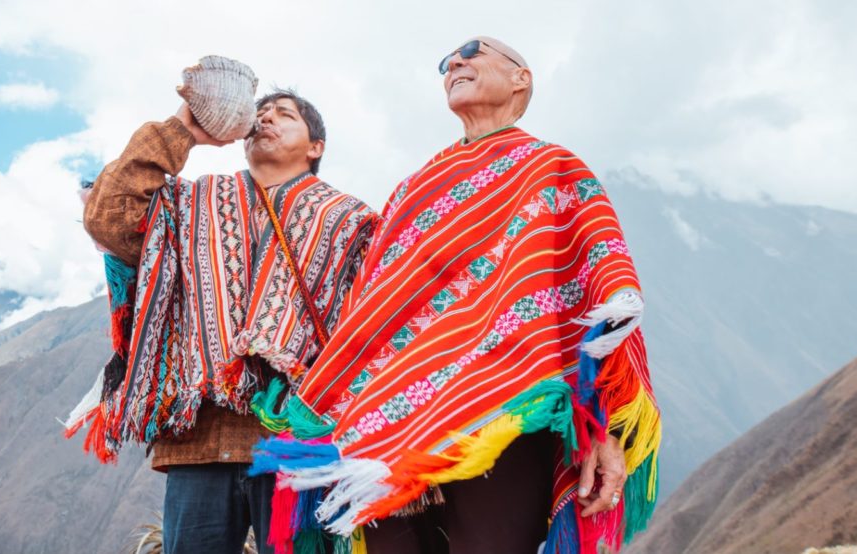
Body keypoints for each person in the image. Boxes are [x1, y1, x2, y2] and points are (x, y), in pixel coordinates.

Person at [253, 38, 661, 554]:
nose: (456, 64)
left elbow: (604, 306)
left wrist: (604, 430)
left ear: (521, 78)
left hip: (501, 416)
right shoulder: (412, 190)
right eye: (447, 63)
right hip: (395, 423)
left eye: (473, 51)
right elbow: (372, 308)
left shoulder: (553, 170)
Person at [68, 80, 377, 554]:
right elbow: (108, 216)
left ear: (316, 147)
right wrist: (185, 129)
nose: (267, 118)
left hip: (298, 445)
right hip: (201, 440)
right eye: (262, 111)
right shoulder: (187, 203)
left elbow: (373, 325)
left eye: (285, 114)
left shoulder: (351, 220)